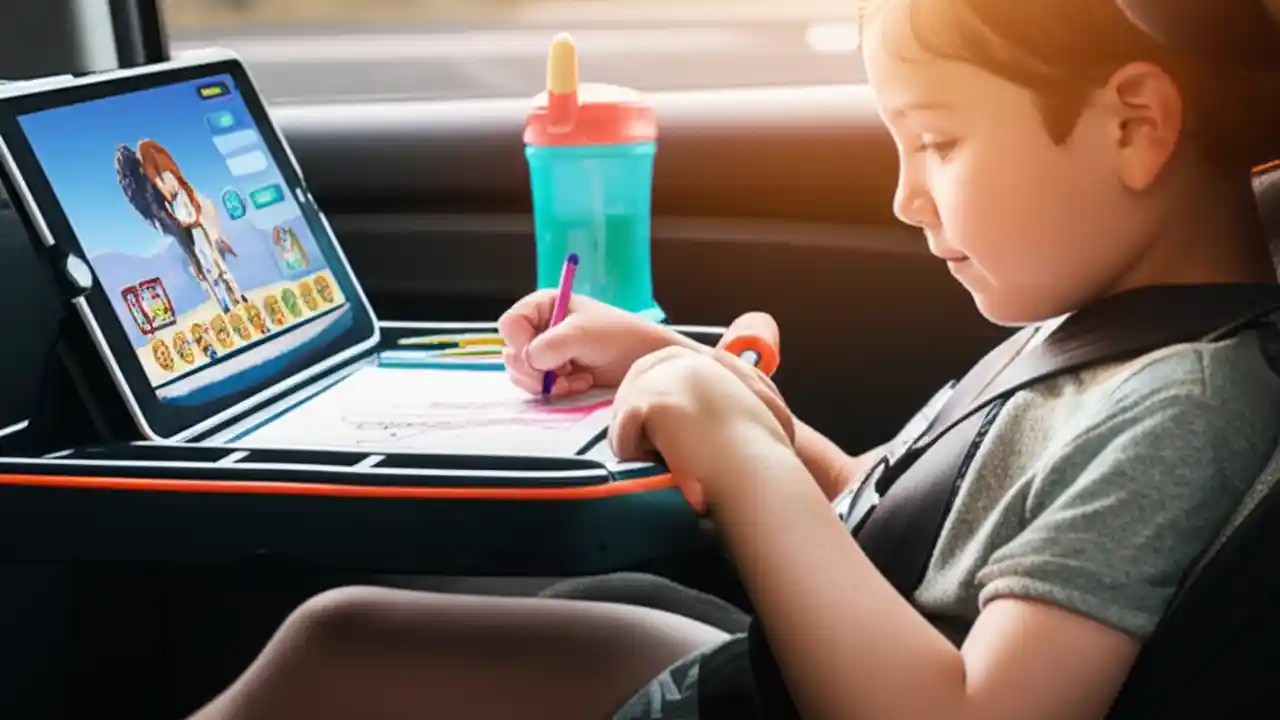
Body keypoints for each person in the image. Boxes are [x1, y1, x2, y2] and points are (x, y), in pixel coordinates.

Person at [189, 1, 1280, 718]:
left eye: (936, 143)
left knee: (342, 652)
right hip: (773, 683)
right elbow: (906, 532)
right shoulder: (1107, 332)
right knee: (357, 636)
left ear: (1133, 125)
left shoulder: (1179, 406)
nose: (902, 199)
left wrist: (743, 459)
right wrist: (691, 375)